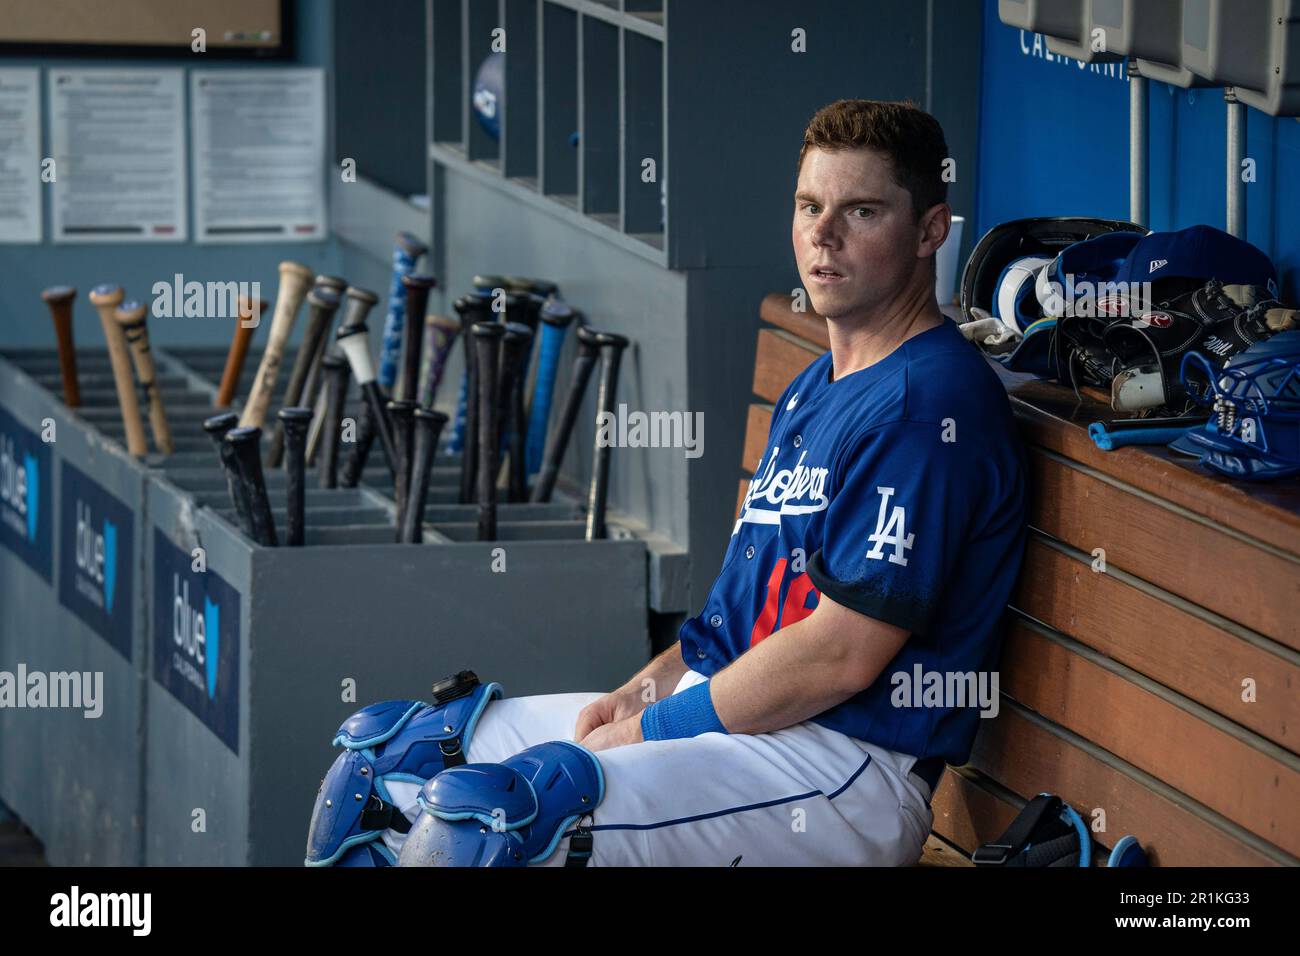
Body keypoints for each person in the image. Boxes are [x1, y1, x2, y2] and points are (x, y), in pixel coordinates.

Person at [305, 98, 1028, 868]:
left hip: (839, 767)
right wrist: (645, 691)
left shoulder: (928, 406)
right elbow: (729, 624)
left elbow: (840, 656)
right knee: (385, 765)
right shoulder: (817, 386)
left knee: (498, 826)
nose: (823, 234)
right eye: (810, 206)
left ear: (929, 231)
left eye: (861, 210)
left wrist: (649, 732)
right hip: (738, 718)